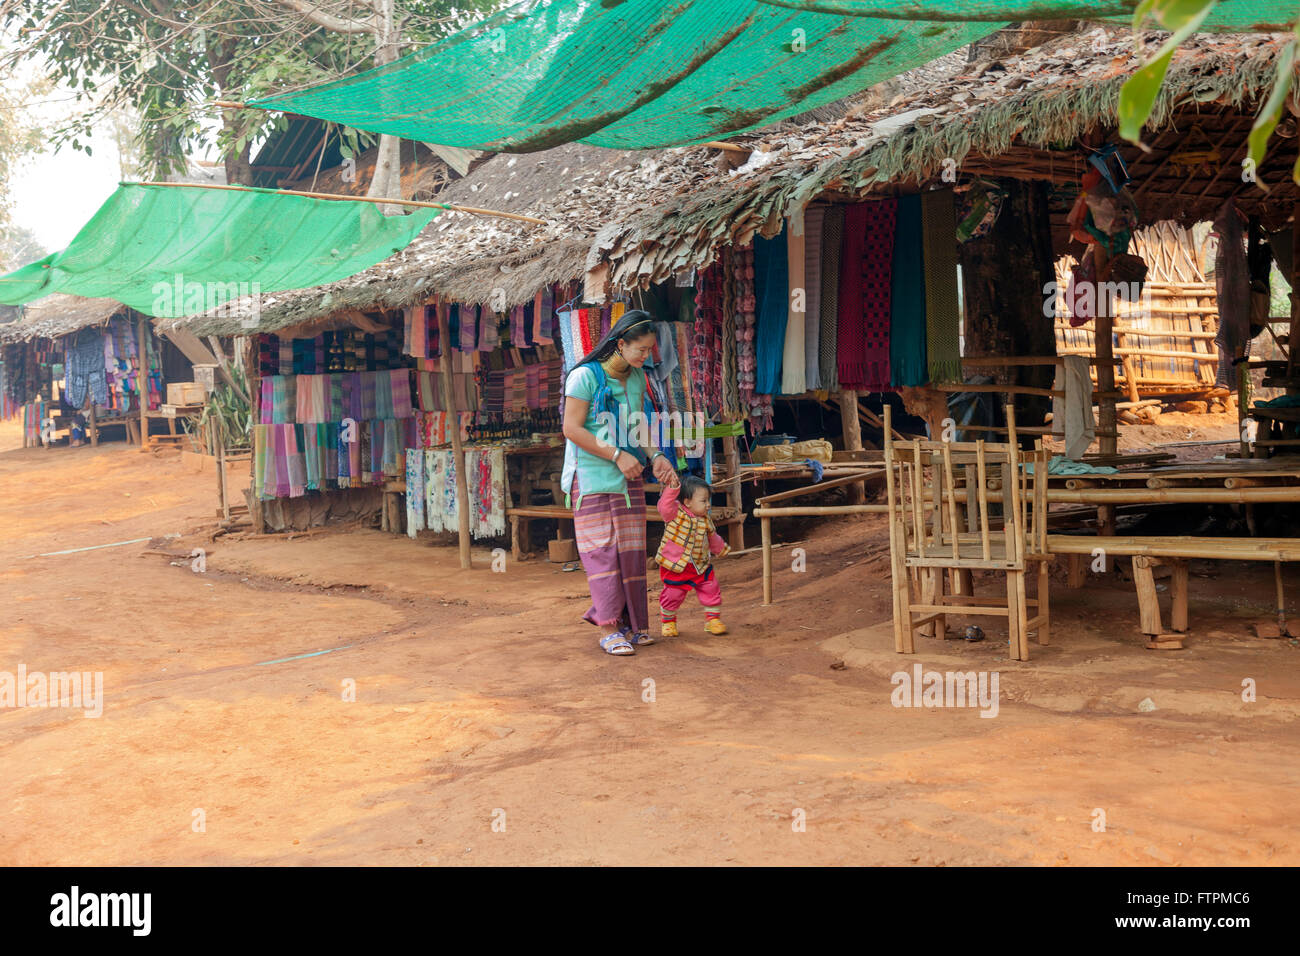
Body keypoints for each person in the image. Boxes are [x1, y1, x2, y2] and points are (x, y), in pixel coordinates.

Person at [561, 309, 678, 656]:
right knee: (601, 553)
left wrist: (656, 456)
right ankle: (609, 628)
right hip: (593, 477)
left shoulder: (638, 378)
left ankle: (632, 625)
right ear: (620, 343)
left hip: (628, 478)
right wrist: (616, 455)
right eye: (640, 349)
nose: (646, 356)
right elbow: (572, 429)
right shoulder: (583, 377)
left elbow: (637, 427)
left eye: (649, 350)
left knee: (630, 553)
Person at [655, 472, 729, 638]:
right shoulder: (674, 514)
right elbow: (663, 505)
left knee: (711, 588)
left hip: (700, 565)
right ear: (687, 502)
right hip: (676, 567)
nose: (708, 505)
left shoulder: (705, 520)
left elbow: (712, 537)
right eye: (704, 501)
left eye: (708, 501)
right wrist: (673, 489)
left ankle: (713, 620)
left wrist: (720, 549)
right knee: (673, 594)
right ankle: (668, 622)